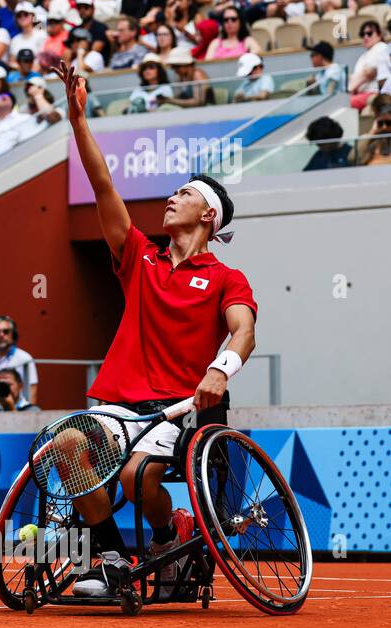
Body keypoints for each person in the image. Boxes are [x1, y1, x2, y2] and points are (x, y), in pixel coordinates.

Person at [55, 60, 256, 599]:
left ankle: (169, 543)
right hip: (117, 404)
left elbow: (243, 333)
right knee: (67, 446)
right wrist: (78, 120)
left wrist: (219, 371)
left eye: (185, 194)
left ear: (208, 215)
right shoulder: (138, 256)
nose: (172, 198)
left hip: (175, 407)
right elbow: (102, 186)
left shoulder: (225, 277)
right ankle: (113, 559)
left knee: (136, 476)